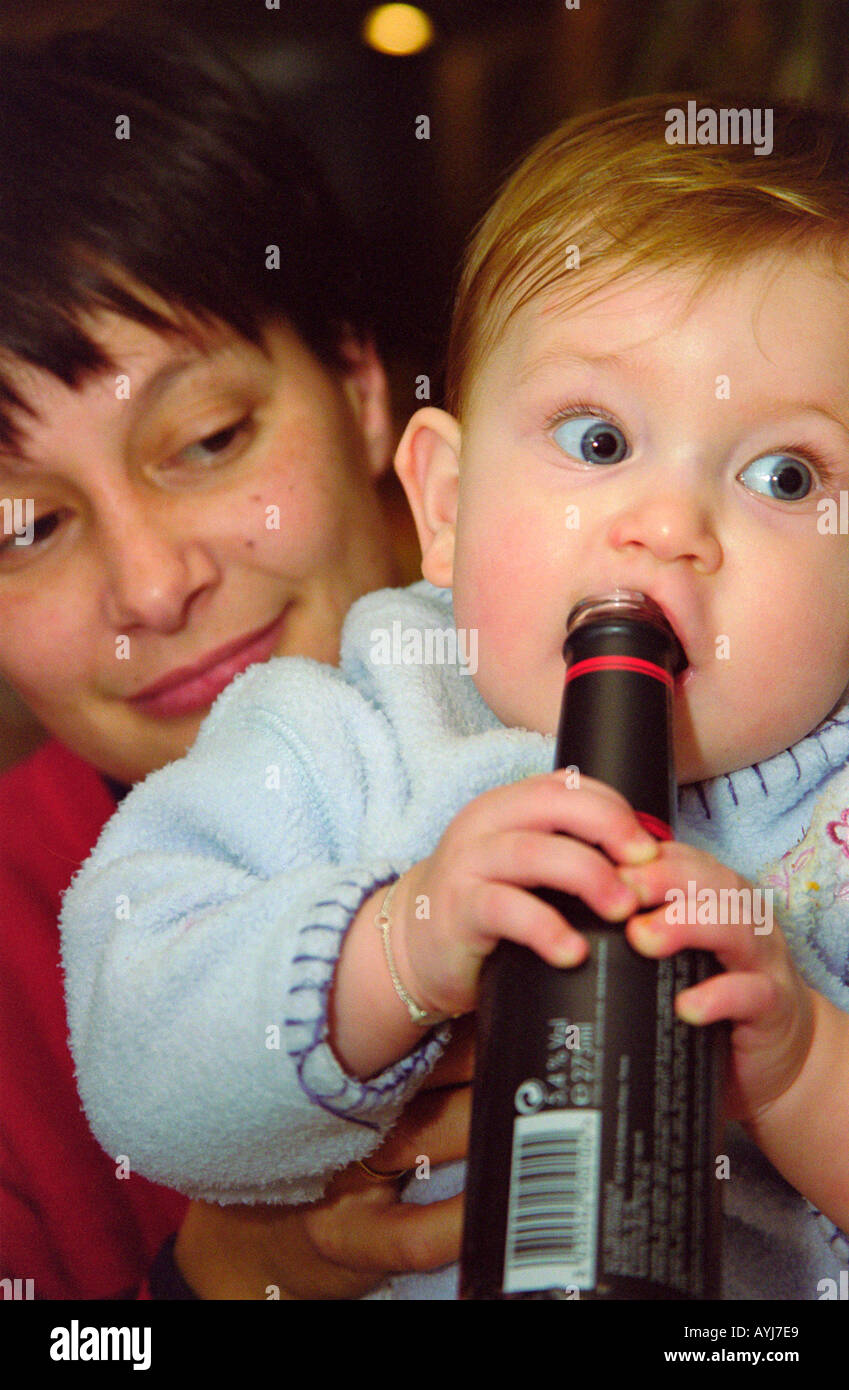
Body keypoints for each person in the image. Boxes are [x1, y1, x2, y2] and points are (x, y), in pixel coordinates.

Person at [60, 90, 849, 1301]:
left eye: (784, 473)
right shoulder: (341, 731)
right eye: (596, 440)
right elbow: (142, 1063)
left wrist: (801, 1072)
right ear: (443, 502)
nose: (665, 528)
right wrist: (400, 949)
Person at [0, 20, 466, 1301]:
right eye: (25, 527)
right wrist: (212, 1284)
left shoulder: (686, 669)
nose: (156, 584)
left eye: (207, 438)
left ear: (363, 387)